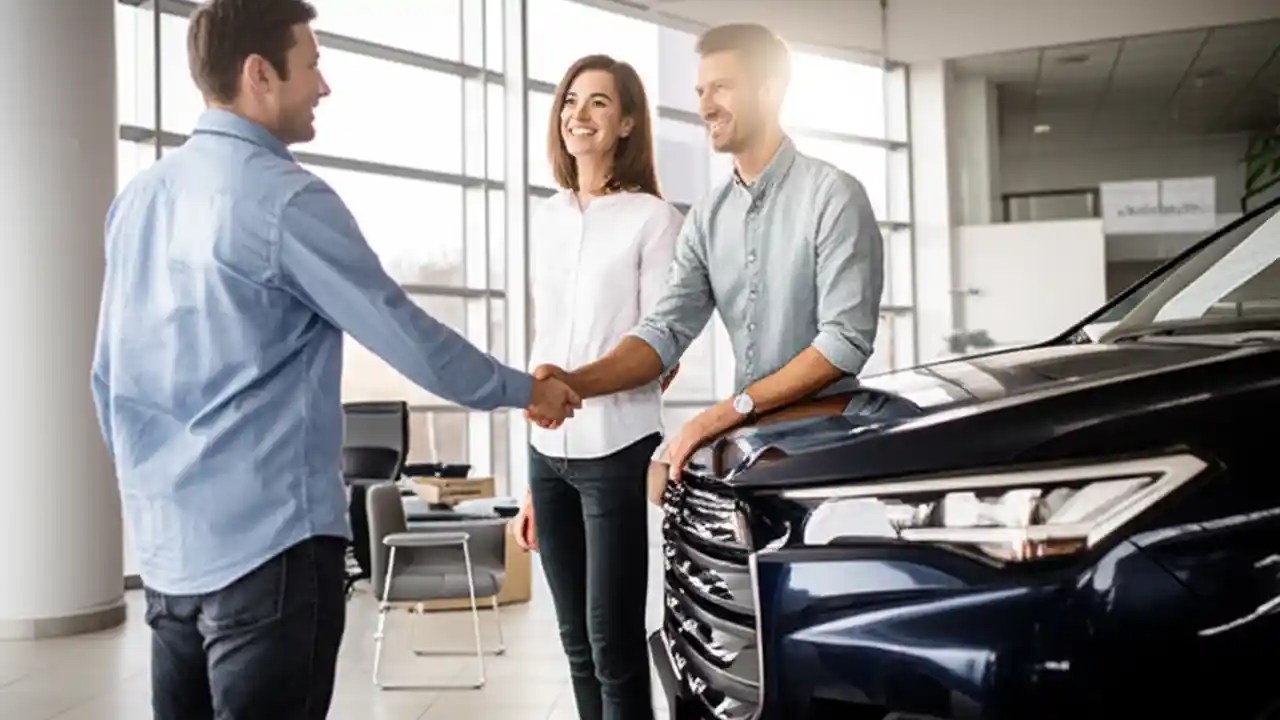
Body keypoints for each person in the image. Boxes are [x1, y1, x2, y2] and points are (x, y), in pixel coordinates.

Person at [89, 2, 579, 719]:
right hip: (269, 555)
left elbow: (109, 381)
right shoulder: (285, 201)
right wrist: (523, 390)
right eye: (312, 63)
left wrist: (155, 497)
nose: (324, 86)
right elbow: (404, 334)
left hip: (168, 557)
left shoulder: (137, 201)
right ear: (260, 73)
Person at [530, 23, 885, 477]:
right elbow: (665, 331)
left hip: (828, 442)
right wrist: (573, 381)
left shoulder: (833, 195)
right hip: (756, 448)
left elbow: (844, 342)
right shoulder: (706, 217)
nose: (704, 106)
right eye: (700, 90)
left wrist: (718, 417)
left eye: (721, 88)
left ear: (770, 90)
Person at [507, 54, 683, 720]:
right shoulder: (547, 219)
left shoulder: (652, 218)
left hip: (615, 450)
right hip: (546, 456)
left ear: (629, 122)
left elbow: (663, 350)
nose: (578, 114)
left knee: (612, 643)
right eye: (570, 101)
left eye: (599, 103)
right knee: (575, 642)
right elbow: (544, 343)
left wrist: (581, 384)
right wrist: (528, 482)